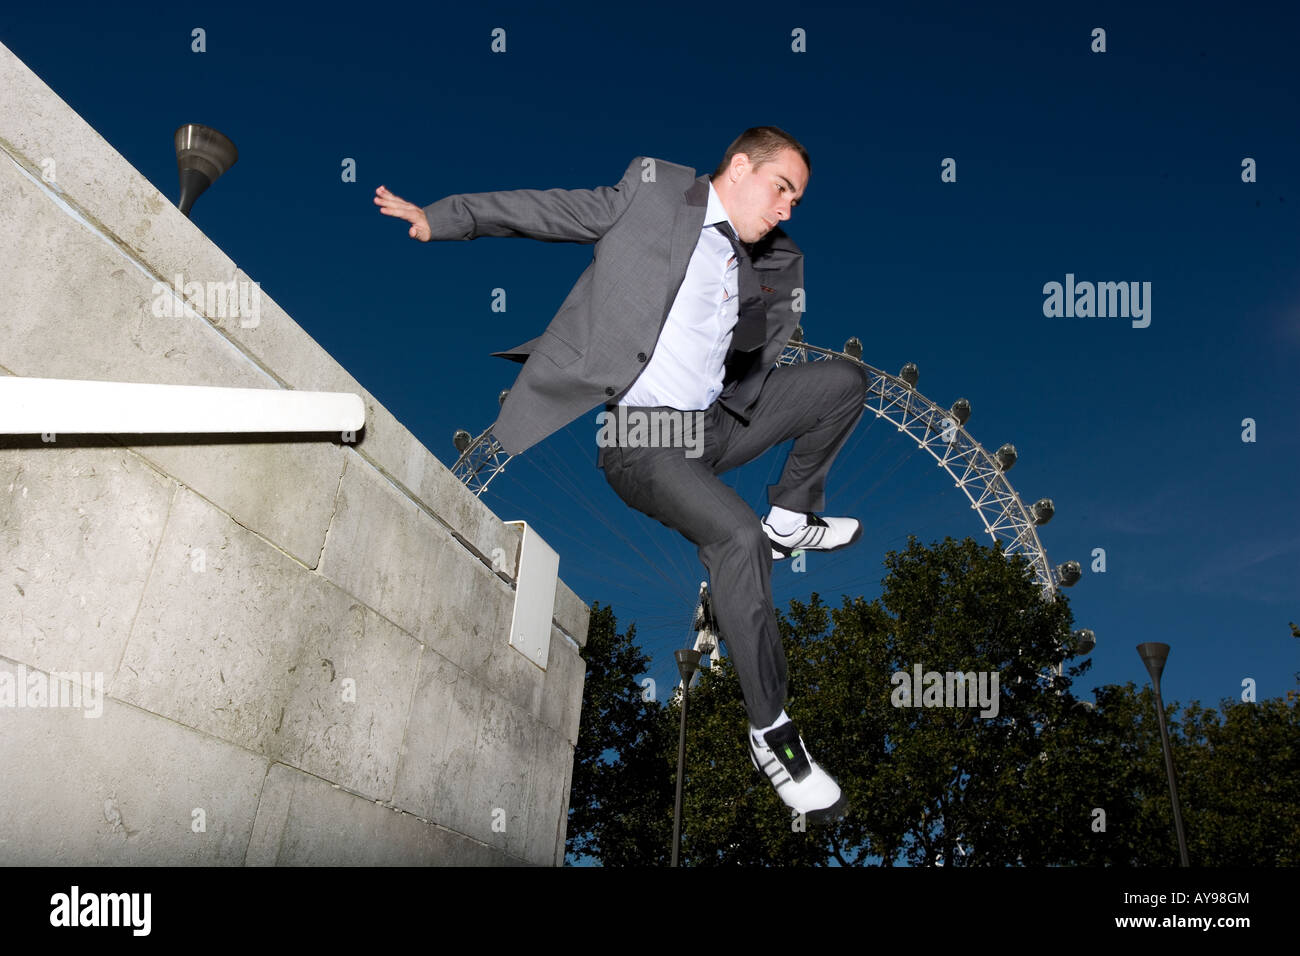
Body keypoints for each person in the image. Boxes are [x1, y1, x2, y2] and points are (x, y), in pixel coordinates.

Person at [375, 127, 866, 822]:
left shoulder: (768, 259)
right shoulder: (653, 198)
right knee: (737, 538)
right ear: (738, 167)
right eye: (781, 188)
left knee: (844, 382)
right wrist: (445, 216)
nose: (788, 208)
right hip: (641, 437)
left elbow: (755, 349)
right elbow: (547, 210)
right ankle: (773, 733)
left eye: (798, 199)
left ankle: (790, 517)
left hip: (712, 424)